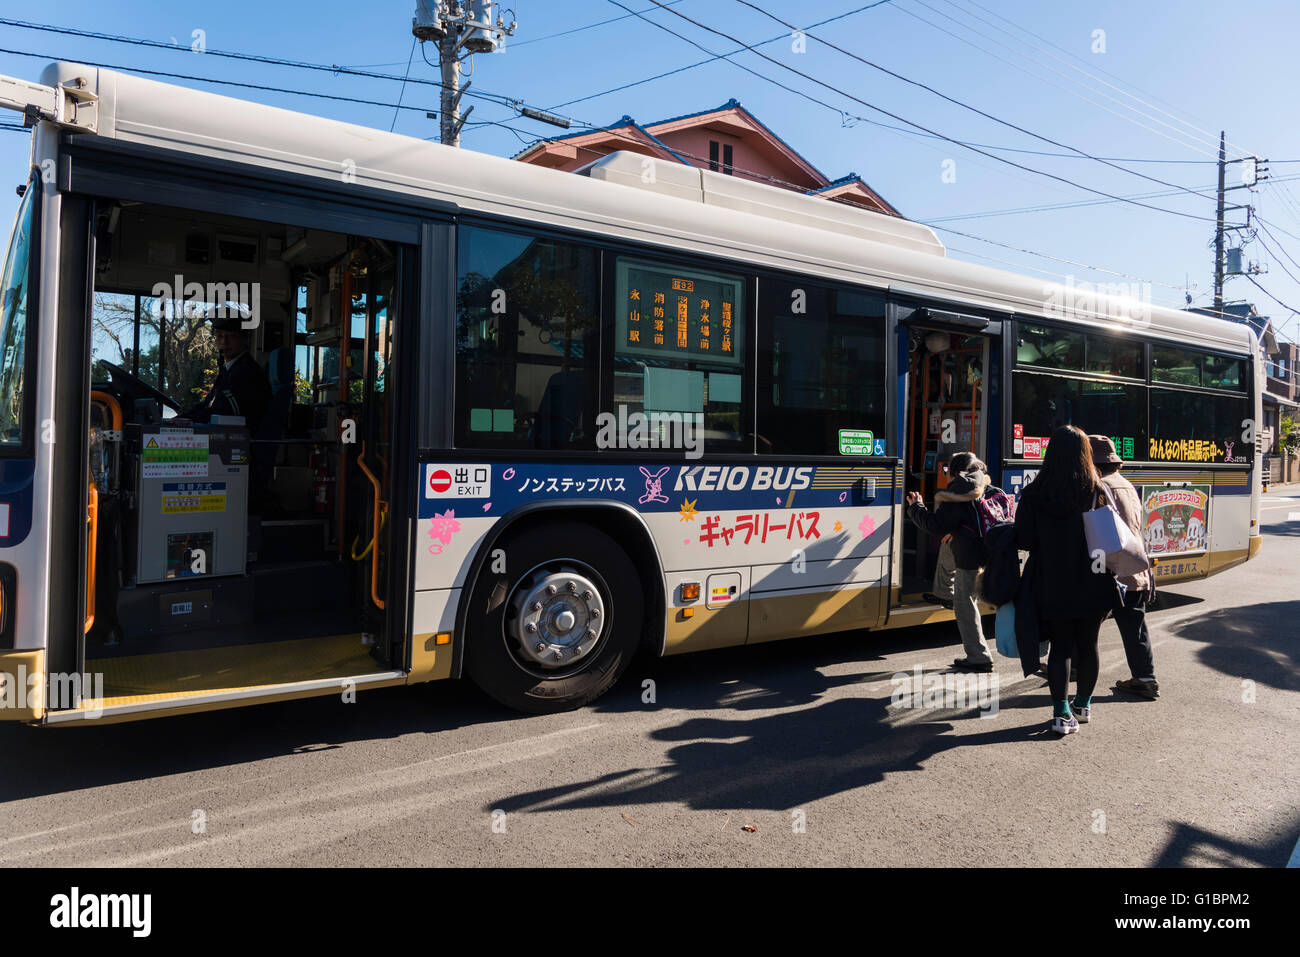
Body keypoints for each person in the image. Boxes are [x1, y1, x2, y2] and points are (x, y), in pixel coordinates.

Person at [1014, 425, 1121, 734]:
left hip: (1052, 578)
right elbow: (1109, 534)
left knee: (1060, 646)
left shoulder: (1035, 492)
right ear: (1085, 453)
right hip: (1094, 575)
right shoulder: (1096, 489)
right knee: (1089, 643)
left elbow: (1025, 539)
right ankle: (1083, 705)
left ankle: (1061, 713)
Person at [905, 451, 1004, 672]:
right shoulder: (985, 483)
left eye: (948, 470)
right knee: (948, 543)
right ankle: (943, 593)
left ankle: (979, 657)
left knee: (965, 605)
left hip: (970, 557)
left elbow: (935, 525)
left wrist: (916, 507)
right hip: (988, 549)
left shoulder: (960, 490)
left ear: (956, 471)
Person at [1089, 434, 1159, 700]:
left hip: (1108, 570)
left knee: (1086, 622)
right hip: (1135, 567)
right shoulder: (1128, 485)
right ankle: (1145, 677)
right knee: (1135, 625)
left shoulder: (1099, 487)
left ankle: (1074, 669)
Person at [183, 316, 272, 432]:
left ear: (245, 340)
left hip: (238, 440)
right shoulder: (229, 369)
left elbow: (222, 411)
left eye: (232, 336)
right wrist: (180, 420)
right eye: (220, 336)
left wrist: (187, 422)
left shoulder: (246, 372)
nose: (224, 342)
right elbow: (206, 404)